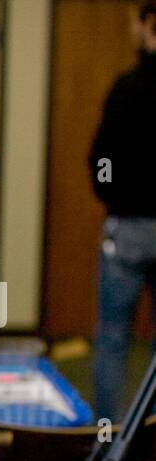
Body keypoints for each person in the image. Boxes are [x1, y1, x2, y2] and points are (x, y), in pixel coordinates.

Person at [88, 1, 156, 423]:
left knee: (113, 337)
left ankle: (107, 437)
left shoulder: (128, 88)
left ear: (149, 23)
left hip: (128, 226)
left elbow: (102, 159)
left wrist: (112, 194)